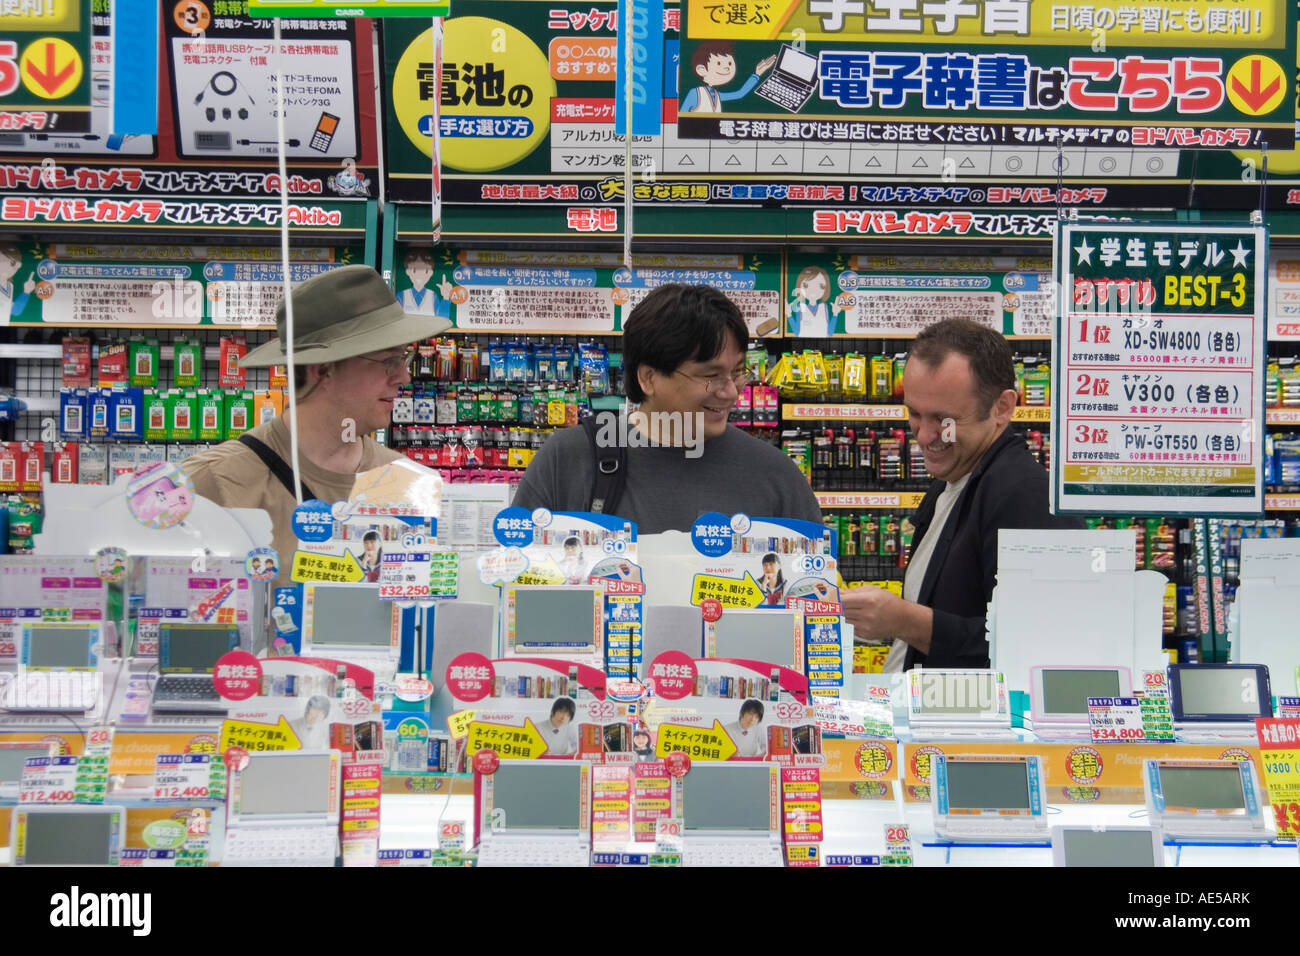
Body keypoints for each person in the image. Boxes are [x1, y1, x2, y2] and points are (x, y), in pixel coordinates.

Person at [182, 266, 450, 589]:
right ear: (322, 370)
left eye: (402, 359)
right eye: (388, 361)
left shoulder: (412, 485)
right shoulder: (212, 482)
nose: (404, 377)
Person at [840, 319, 1083, 671]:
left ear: (1002, 407)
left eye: (944, 419)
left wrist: (905, 621)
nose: (923, 436)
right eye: (914, 414)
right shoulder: (954, 477)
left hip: (975, 725)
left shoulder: (1025, 496)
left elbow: (1043, 645)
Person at [512, 284, 822, 532]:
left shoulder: (775, 474)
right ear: (648, 378)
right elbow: (516, 587)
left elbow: (812, 591)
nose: (730, 392)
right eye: (710, 376)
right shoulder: (566, 460)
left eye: (738, 372)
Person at [680, 41, 776, 113]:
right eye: (718, 63)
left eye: (730, 63)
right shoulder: (695, 93)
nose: (727, 68)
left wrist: (757, 74)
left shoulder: (716, 94)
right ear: (702, 70)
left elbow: (739, 94)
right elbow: (682, 116)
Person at [786, 266, 844, 337]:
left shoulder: (824, 307)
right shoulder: (800, 307)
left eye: (821, 286)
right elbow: (797, 332)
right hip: (803, 340)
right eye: (806, 285)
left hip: (823, 342)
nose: (813, 290)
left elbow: (830, 332)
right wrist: (789, 315)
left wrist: (835, 314)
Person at [0, 243, 34, 321]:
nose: (8, 268)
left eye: (15, 265)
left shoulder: (9, 286)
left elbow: (15, 311)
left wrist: (26, 292)